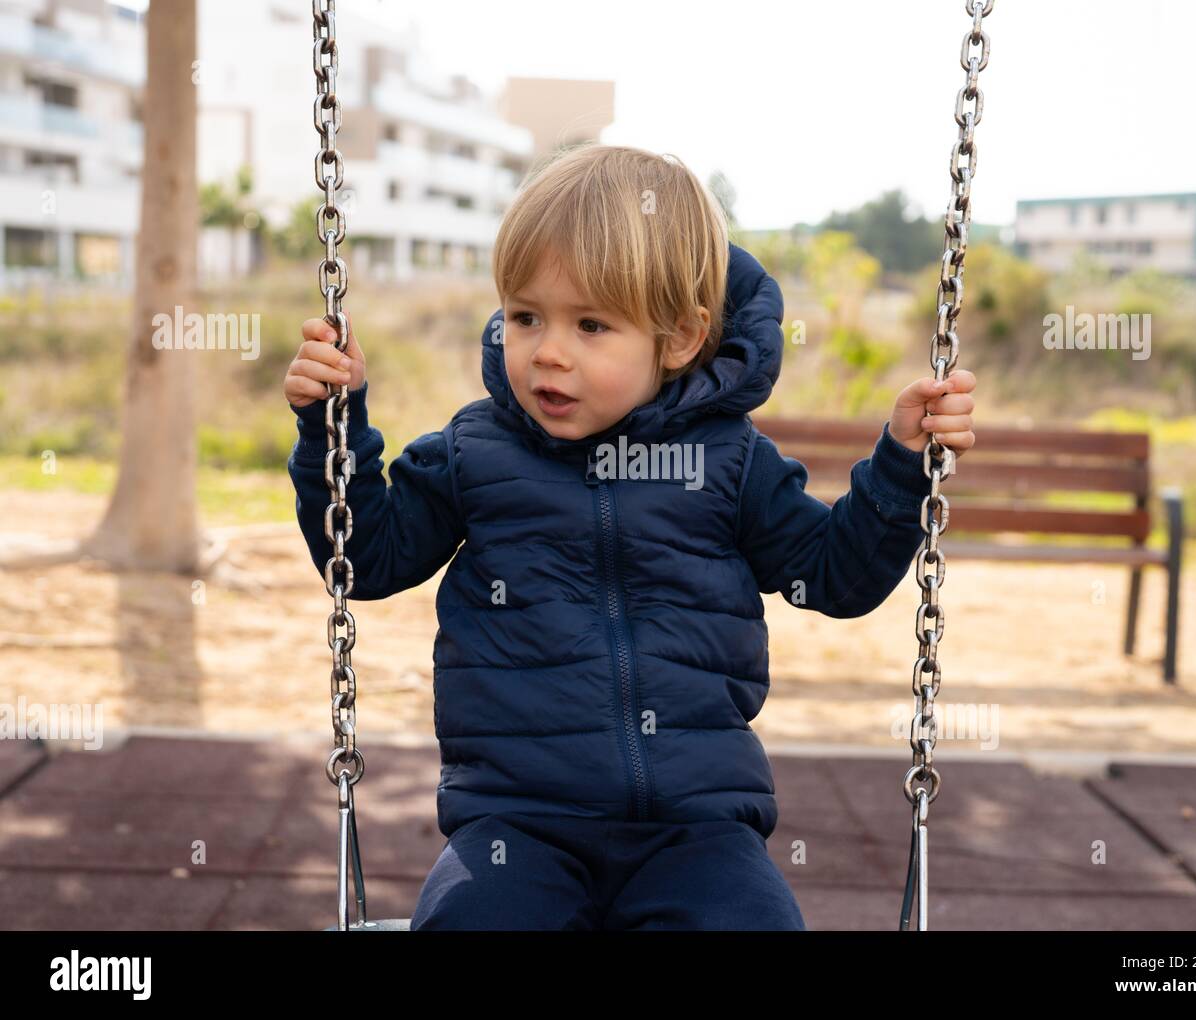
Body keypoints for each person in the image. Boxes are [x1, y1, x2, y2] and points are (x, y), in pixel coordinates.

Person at [283, 143, 976, 929]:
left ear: (677, 339)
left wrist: (900, 465)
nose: (548, 350)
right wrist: (332, 428)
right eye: (525, 316)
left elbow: (836, 577)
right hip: (516, 825)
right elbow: (365, 559)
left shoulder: (729, 461)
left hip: (700, 829)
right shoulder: (475, 452)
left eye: (591, 325)